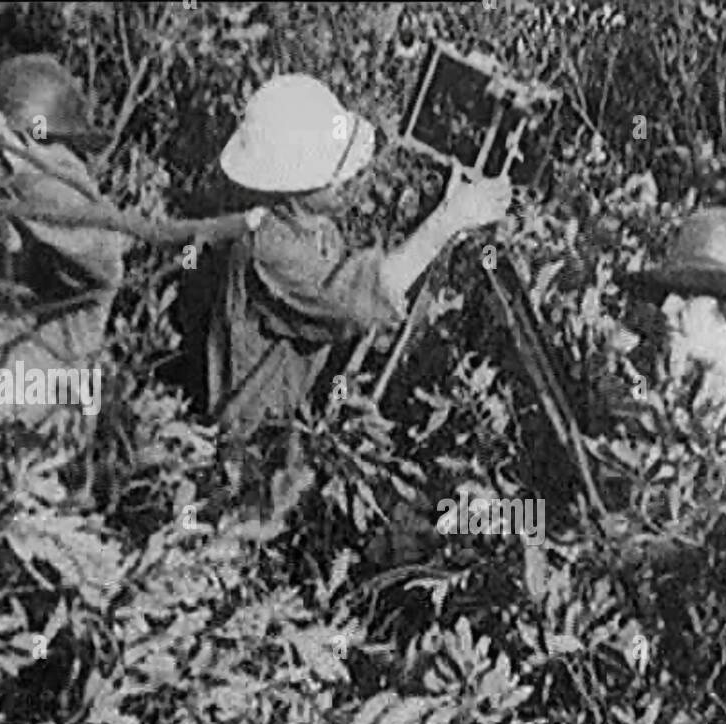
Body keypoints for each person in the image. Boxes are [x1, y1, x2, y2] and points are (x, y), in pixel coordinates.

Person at [169, 73, 512, 475]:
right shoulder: (269, 246)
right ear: (292, 181)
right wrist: (446, 222)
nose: (348, 179)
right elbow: (350, 303)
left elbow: (356, 297)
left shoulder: (318, 229)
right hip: (245, 447)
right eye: (334, 170)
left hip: (283, 424)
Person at [0, 55, 128, 433]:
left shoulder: (74, 211)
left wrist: (11, 151)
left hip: (31, 425)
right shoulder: (24, 210)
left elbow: (93, 237)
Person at [612, 207, 726, 423]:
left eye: (688, 296)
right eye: (667, 295)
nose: (668, 308)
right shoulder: (649, 366)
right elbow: (636, 417)